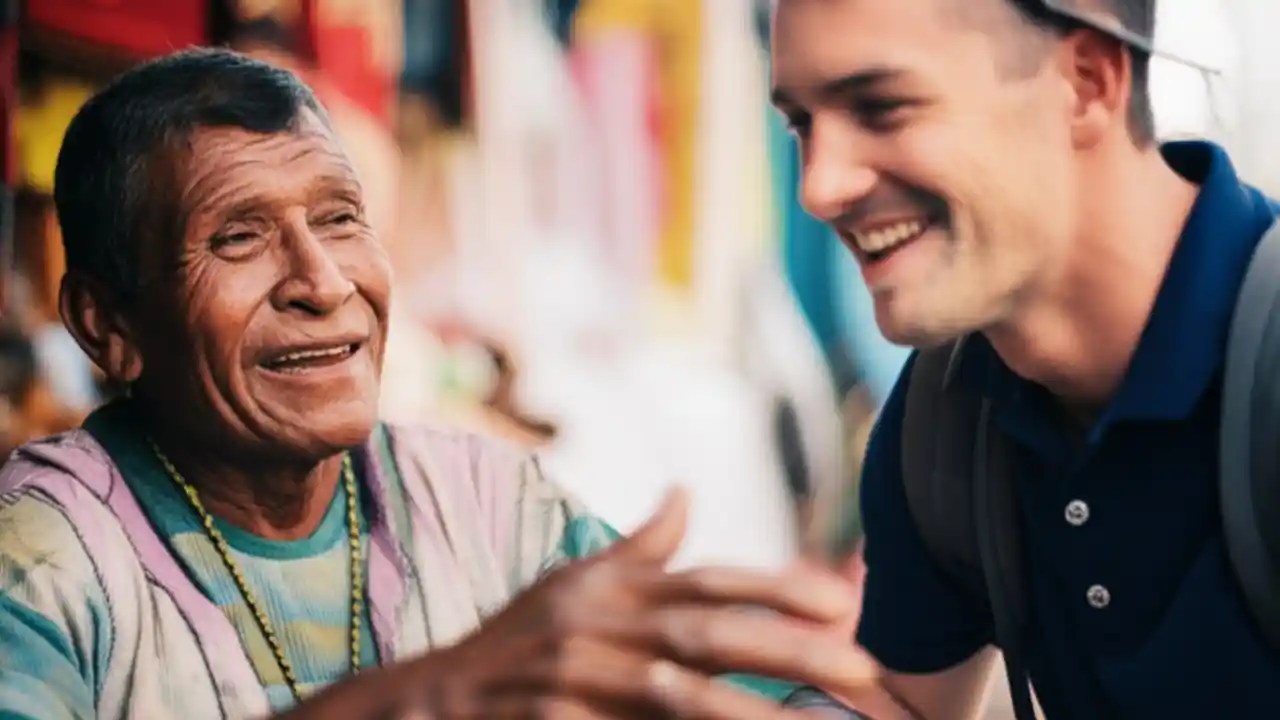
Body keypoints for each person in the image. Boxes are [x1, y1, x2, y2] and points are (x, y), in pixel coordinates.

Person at [0, 48, 881, 719]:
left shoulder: (485, 505)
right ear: (105, 327)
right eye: (238, 238)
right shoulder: (42, 560)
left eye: (341, 219)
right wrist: (432, 694)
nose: (324, 281)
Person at [768, 0, 1280, 718]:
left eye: (881, 107)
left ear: (1086, 81)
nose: (818, 189)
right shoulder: (949, 407)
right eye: (801, 124)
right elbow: (904, 704)